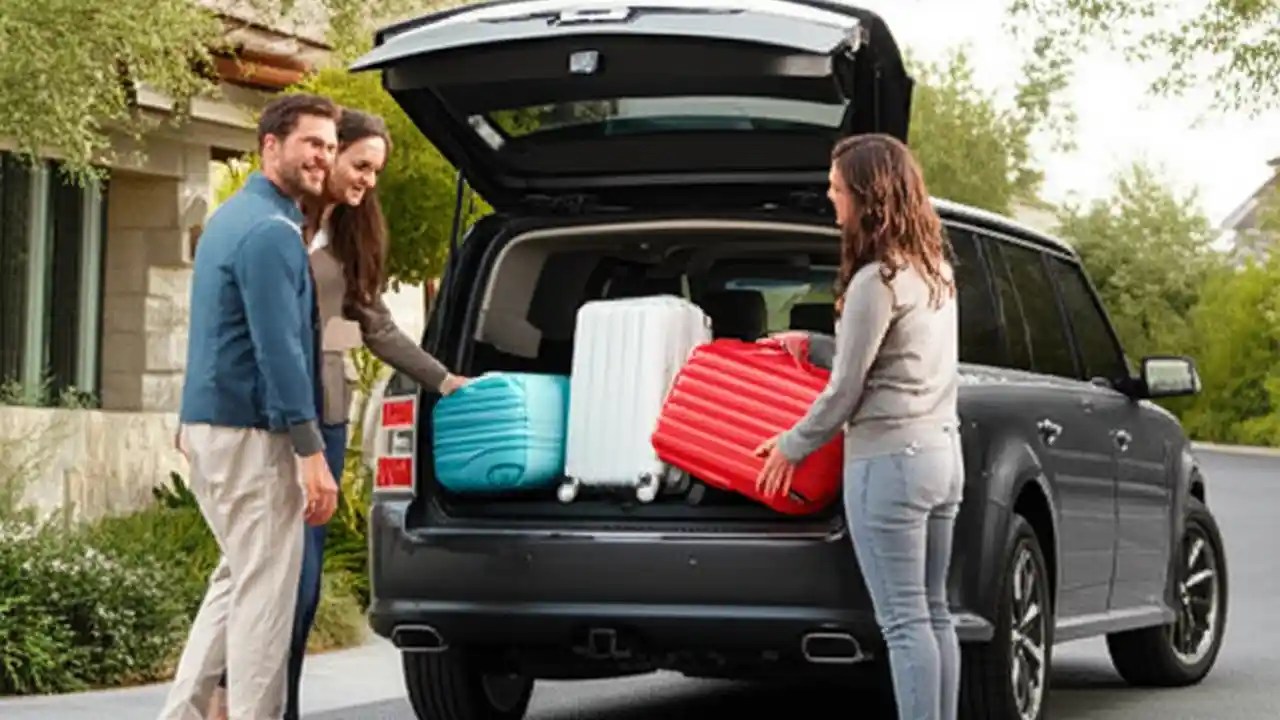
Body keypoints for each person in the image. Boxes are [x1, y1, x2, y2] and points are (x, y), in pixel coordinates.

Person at [204, 108, 469, 720]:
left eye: (374, 171)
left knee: (301, 582)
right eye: (359, 165)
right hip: (259, 413)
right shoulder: (270, 221)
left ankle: (267, 707)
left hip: (323, 413)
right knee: (256, 573)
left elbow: (376, 326)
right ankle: (224, 700)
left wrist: (446, 379)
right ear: (324, 153)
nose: (366, 181)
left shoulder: (352, 237)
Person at [754, 133, 963, 720]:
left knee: (902, 621)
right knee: (933, 611)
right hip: (942, 456)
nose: (829, 196)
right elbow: (893, 358)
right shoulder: (934, 270)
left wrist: (792, 445)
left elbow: (847, 389)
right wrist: (812, 343)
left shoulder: (878, 279)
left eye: (837, 187)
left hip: (890, 463)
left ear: (867, 196)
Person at [159, 93, 342, 720]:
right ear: (270, 146)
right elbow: (278, 349)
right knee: (266, 602)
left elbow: (218, 332)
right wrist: (310, 451)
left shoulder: (232, 219)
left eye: (329, 145)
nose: (323, 156)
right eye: (311, 143)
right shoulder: (271, 232)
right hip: (250, 436)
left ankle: (181, 714)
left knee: (238, 578)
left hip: (212, 426)